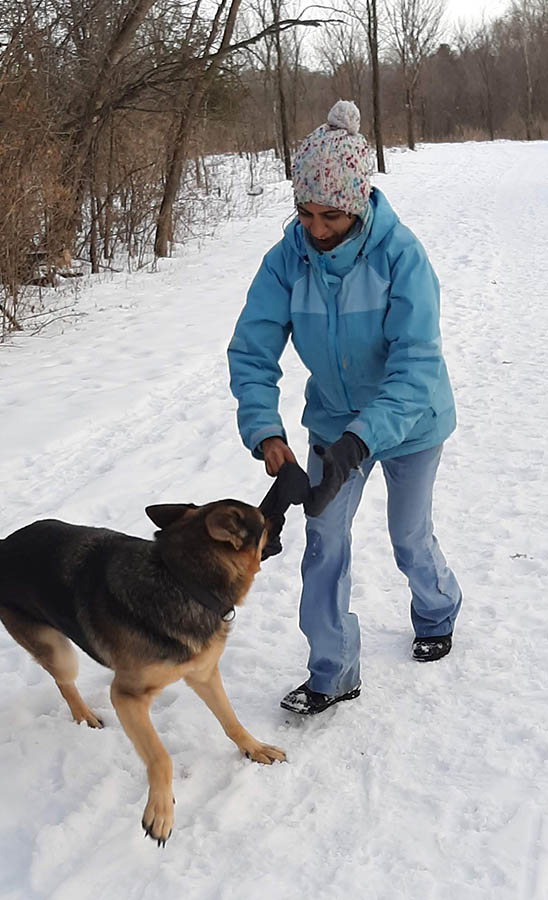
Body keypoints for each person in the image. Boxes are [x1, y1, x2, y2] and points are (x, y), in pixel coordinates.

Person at [227, 100, 462, 715]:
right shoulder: (287, 261)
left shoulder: (401, 257)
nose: (315, 227)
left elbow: (416, 365)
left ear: (357, 203)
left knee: (408, 537)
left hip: (411, 423)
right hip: (332, 422)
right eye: (304, 212)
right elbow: (252, 352)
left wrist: (364, 439)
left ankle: (437, 610)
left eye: (329, 214)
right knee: (324, 544)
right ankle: (332, 672)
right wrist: (267, 434)